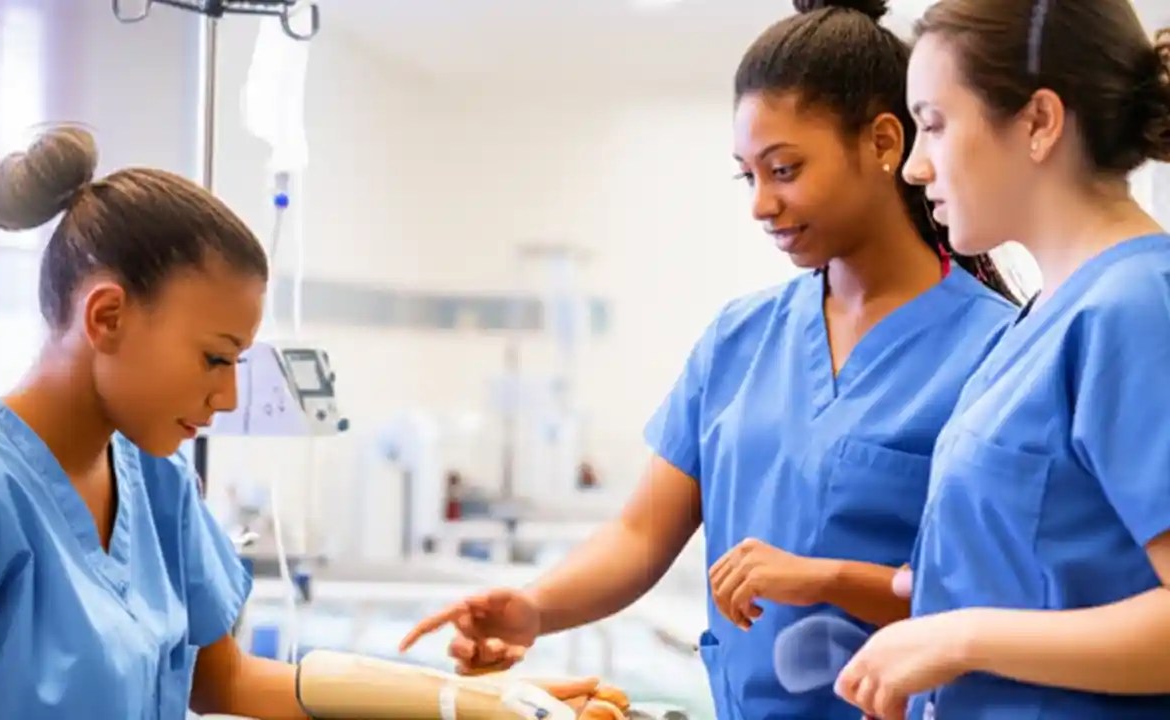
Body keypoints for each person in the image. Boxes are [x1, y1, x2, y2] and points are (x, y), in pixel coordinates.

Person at [398, 1, 1020, 717]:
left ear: (884, 142)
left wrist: (825, 578)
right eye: (746, 175)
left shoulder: (995, 352)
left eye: (784, 169)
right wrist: (536, 607)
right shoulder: (739, 339)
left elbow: (992, 600)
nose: (762, 204)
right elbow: (639, 534)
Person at [0, 126, 607, 719]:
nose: (228, 398)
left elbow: (226, 680)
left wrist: (475, 703)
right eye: (213, 358)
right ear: (106, 317)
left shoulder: (155, 481)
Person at [833, 2, 1170, 719]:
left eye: (935, 123)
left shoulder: (1138, 311)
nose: (916, 166)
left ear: (1040, 122)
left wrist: (961, 637)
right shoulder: (1046, 316)